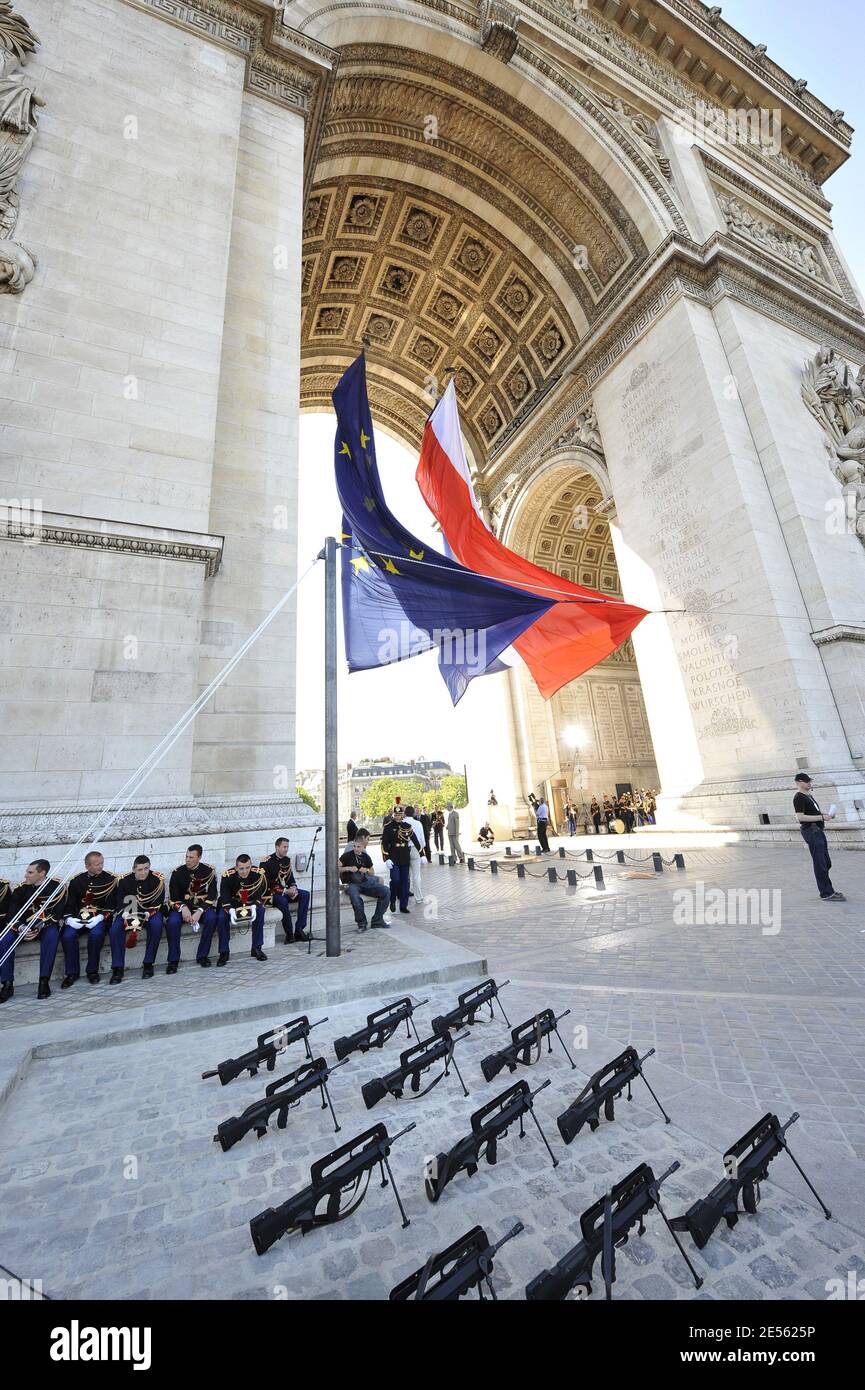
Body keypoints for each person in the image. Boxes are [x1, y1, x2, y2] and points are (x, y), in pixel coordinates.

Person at [1, 860, 65, 1002]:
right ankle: (7, 984)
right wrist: (22, 928)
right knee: (5, 939)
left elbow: (57, 914)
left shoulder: (56, 888)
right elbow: (12, 914)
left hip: (44, 927)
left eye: (30, 873)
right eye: (27, 872)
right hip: (22, 927)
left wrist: (38, 928)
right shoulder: (21, 889)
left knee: (52, 935)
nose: (26, 875)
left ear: (42, 873)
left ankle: (44, 981)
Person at [61, 851, 118, 987]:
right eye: (97, 864)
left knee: (97, 934)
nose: (100, 867)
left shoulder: (110, 880)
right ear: (87, 866)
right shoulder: (77, 881)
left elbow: (111, 905)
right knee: (67, 936)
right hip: (78, 918)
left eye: (101, 863)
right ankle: (71, 973)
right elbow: (70, 903)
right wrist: (69, 919)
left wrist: (100, 917)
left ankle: (92, 971)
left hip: (98, 917)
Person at [114, 855, 171, 981]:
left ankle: (148, 964)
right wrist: (126, 916)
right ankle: (118, 968)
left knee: (156, 925)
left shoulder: (157, 879)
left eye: (146, 868)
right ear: (133, 869)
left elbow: (158, 902)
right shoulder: (124, 881)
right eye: (140, 869)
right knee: (115, 929)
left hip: (149, 913)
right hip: (128, 912)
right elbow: (120, 902)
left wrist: (145, 915)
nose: (144, 872)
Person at [793, 772, 845, 902]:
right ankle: (826, 893)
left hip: (817, 830)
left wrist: (827, 814)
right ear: (798, 782)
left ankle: (828, 890)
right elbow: (800, 817)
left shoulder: (808, 796)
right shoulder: (799, 797)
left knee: (826, 862)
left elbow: (815, 812)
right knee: (820, 863)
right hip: (811, 831)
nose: (809, 783)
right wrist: (822, 817)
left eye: (809, 781)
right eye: (806, 781)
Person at [167, 844, 219, 968]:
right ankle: (173, 960)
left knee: (212, 918)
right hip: (182, 908)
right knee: (172, 922)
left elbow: (212, 895)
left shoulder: (209, 871)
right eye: (186, 857)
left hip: (201, 907)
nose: (187, 860)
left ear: (199, 857)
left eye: (191, 857)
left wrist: (200, 910)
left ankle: (203, 956)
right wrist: (183, 908)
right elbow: (173, 897)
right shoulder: (177, 873)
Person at [219, 854, 269, 964]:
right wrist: (230, 910)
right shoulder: (227, 876)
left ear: (251, 865)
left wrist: (255, 906)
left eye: (247, 867)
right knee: (222, 917)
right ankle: (224, 952)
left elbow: (259, 894)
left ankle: (257, 948)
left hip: (250, 903)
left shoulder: (257, 874)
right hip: (232, 904)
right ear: (236, 868)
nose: (245, 871)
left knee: (261, 911)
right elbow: (224, 897)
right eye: (241, 868)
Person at [260, 837, 310, 943]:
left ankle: (299, 930)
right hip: (272, 894)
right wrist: (285, 892)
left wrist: (293, 888)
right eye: (284, 847)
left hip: (286, 891)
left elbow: (290, 878)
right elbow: (267, 885)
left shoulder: (287, 860)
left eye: (287, 847)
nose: (286, 849)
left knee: (305, 894)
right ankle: (289, 933)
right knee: (283, 901)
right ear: (277, 847)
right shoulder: (266, 862)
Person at [339, 829, 390, 931]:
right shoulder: (347, 856)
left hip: (364, 882)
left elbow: (372, 871)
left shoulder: (365, 856)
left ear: (362, 847)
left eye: (359, 847)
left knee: (386, 891)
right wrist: (348, 868)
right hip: (351, 883)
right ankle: (362, 923)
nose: (356, 849)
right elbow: (336, 868)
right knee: (356, 899)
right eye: (355, 846)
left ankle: (377, 920)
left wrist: (366, 870)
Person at [381, 806, 421, 912]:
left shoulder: (407, 826)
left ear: (403, 814)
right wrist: (386, 858)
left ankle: (403, 905)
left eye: (400, 814)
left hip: (404, 856)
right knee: (395, 880)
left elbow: (415, 840)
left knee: (404, 882)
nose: (398, 816)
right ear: (393, 815)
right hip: (393, 857)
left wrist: (422, 855)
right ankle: (393, 899)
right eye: (396, 815)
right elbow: (384, 843)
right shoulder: (388, 826)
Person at [403, 804, 426, 905]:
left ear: (404, 813)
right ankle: (419, 897)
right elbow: (422, 839)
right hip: (415, 849)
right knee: (416, 875)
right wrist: (422, 852)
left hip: (403, 850)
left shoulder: (401, 823)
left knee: (405, 875)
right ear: (413, 813)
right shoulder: (418, 823)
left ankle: (404, 896)